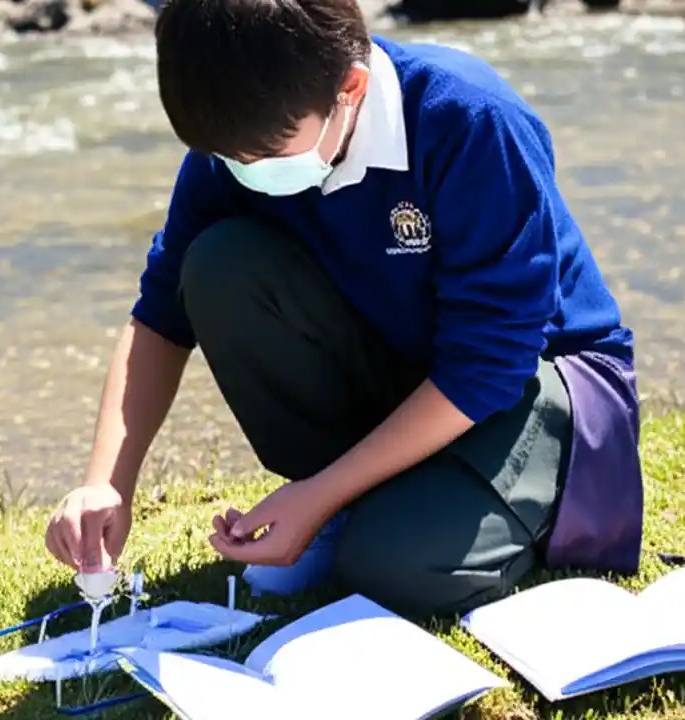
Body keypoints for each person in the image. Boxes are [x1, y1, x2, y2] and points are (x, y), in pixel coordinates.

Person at [44, 0, 643, 618]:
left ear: (350, 89)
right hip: (406, 369)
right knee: (218, 263)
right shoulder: (240, 139)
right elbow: (159, 321)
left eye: (268, 155)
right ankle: (370, 502)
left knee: (393, 568)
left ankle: (408, 515)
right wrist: (106, 485)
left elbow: (490, 361)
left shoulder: (468, 119)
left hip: (539, 383)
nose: (246, 172)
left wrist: (318, 497)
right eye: (228, 158)